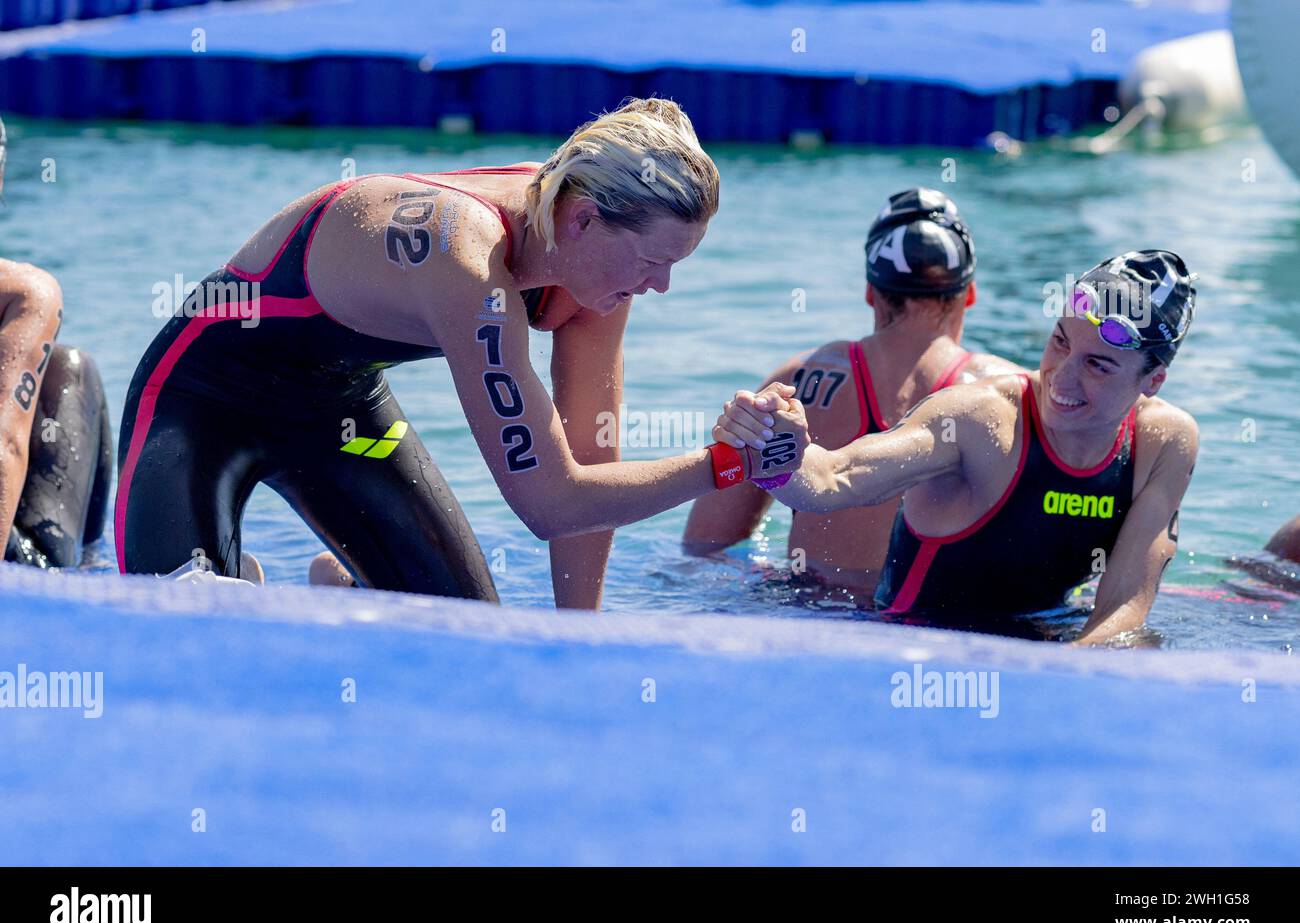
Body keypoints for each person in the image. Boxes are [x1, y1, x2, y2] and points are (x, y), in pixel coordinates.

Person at [115, 98, 803, 606]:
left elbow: (589, 466)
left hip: (341, 409)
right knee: (184, 627)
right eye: (654, 260)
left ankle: (336, 593)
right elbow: (550, 502)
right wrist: (726, 463)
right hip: (205, 396)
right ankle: (267, 595)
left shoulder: (590, 271)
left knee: (464, 635)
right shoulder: (468, 262)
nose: (661, 285)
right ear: (584, 217)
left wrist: (580, 641)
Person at [713, 250, 1200, 643]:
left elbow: (1124, 608)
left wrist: (1058, 681)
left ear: (1153, 380)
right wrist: (775, 452)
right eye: (1059, 341)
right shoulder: (979, 419)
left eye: (1099, 365)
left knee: (1145, 645)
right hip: (918, 651)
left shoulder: (1165, 441)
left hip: (1048, 644)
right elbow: (832, 480)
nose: (1062, 376)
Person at [683, 188, 1021, 597]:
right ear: (969, 295)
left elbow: (704, 546)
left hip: (812, 612)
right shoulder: (1007, 395)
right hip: (939, 627)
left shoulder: (795, 382)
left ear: (870, 293)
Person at [0, 115, 114, 571]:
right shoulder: (21, 290)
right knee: (71, 369)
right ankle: (87, 569)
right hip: (19, 568)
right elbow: (4, 441)